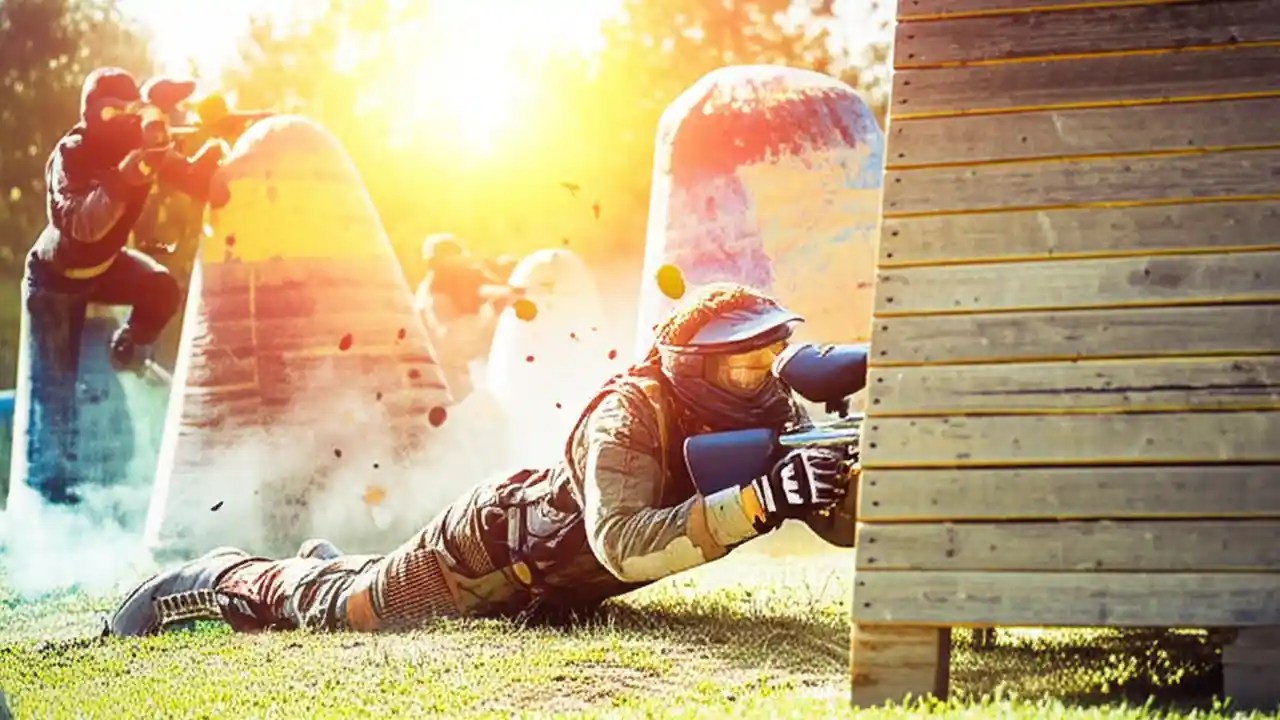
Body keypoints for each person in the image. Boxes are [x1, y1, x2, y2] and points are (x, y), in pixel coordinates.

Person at [107, 282, 849, 636]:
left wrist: (847, 481)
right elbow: (620, 545)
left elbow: (843, 528)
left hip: (549, 587)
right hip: (483, 557)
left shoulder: (769, 410)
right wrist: (761, 501)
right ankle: (210, 577)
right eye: (744, 366)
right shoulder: (628, 413)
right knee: (337, 611)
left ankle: (332, 559)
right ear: (692, 366)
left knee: (354, 582)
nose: (765, 380)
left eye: (771, 358)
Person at [17, 67, 223, 503]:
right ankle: (49, 499)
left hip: (107, 267)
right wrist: (126, 176)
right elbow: (80, 226)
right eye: (110, 111)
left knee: (161, 290)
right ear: (90, 112)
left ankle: (128, 349)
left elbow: (194, 182)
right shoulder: (70, 154)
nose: (120, 122)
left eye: (129, 112)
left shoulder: (139, 147)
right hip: (53, 282)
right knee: (55, 396)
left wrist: (213, 162)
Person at [413, 234, 517, 403]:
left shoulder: (463, 281)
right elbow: (450, 340)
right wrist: (492, 311)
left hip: (461, 376)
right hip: (448, 382)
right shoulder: (433, 294)